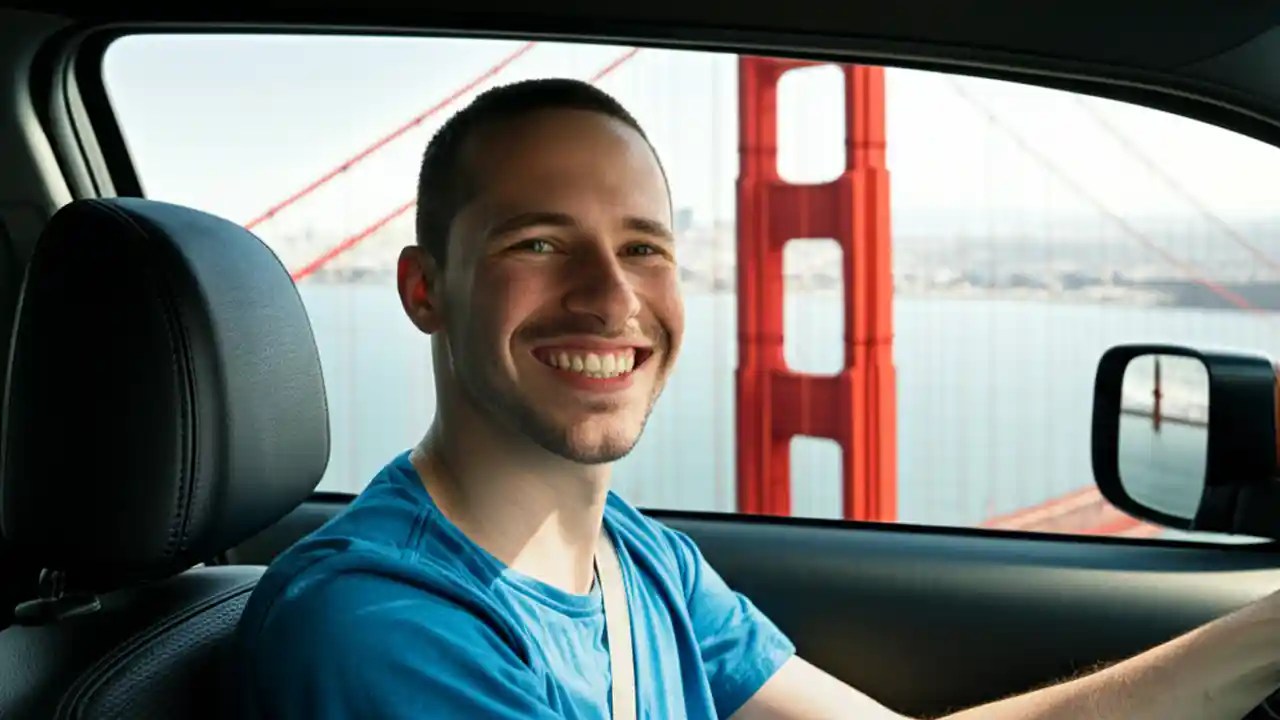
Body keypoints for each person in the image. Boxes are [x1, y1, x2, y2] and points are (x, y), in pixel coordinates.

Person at [234, 78, 1280, 720]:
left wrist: (1262, 637)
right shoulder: (376, 629)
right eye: (539, 243)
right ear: (424, 289)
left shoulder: (639, 561)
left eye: (644, 247)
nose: (610, 297)